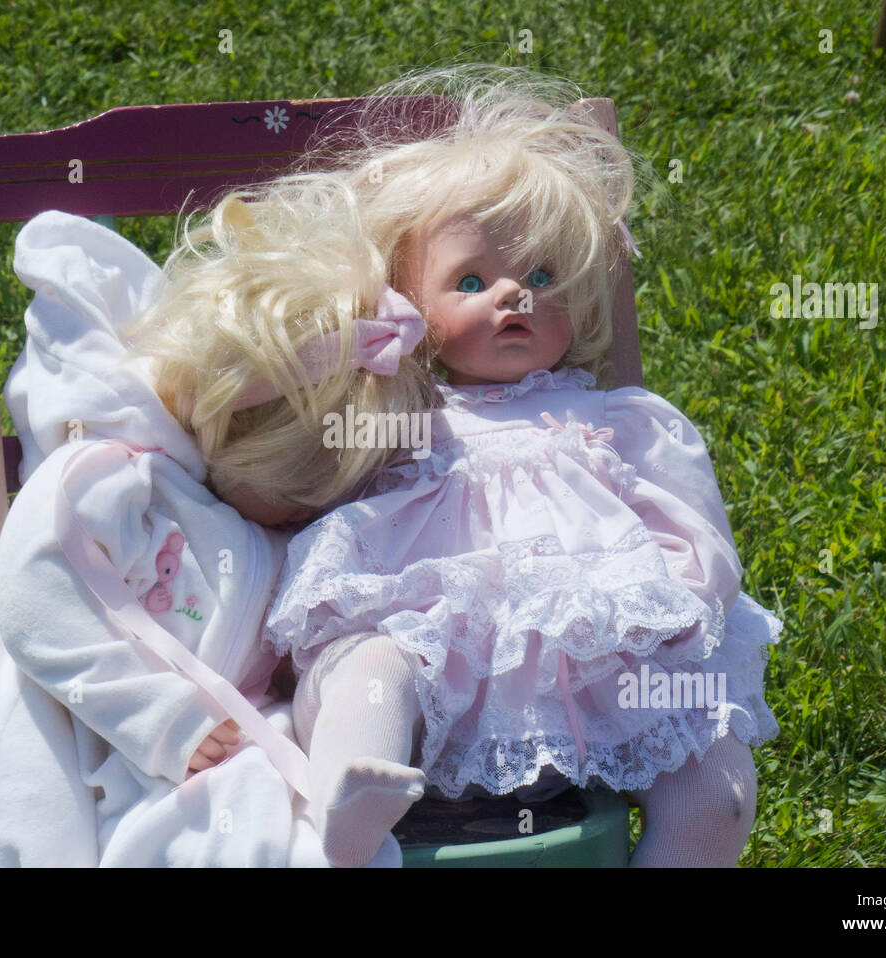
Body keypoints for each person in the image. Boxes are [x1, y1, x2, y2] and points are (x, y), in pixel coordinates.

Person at [264, 64, 782, 867]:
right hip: (432, 656)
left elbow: (691, 526)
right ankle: (349, 800)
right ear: (408, 300)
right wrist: (360, 344)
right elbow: (289, 447)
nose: (514, 295)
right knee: (368, 670)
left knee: (718, 786)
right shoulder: (400, 413)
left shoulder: (618, 422)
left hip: (602, 672)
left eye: (543, 277)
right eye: (472, 281)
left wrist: (681, 606)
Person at [0, 171, 439, 866]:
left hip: (238, 735)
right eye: (302, 497)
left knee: (276, 830)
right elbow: (37, 600)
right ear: (238, 443)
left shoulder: (257, 529)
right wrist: (161, 720)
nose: (314, 516)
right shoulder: (110, 482)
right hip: (110, 729)